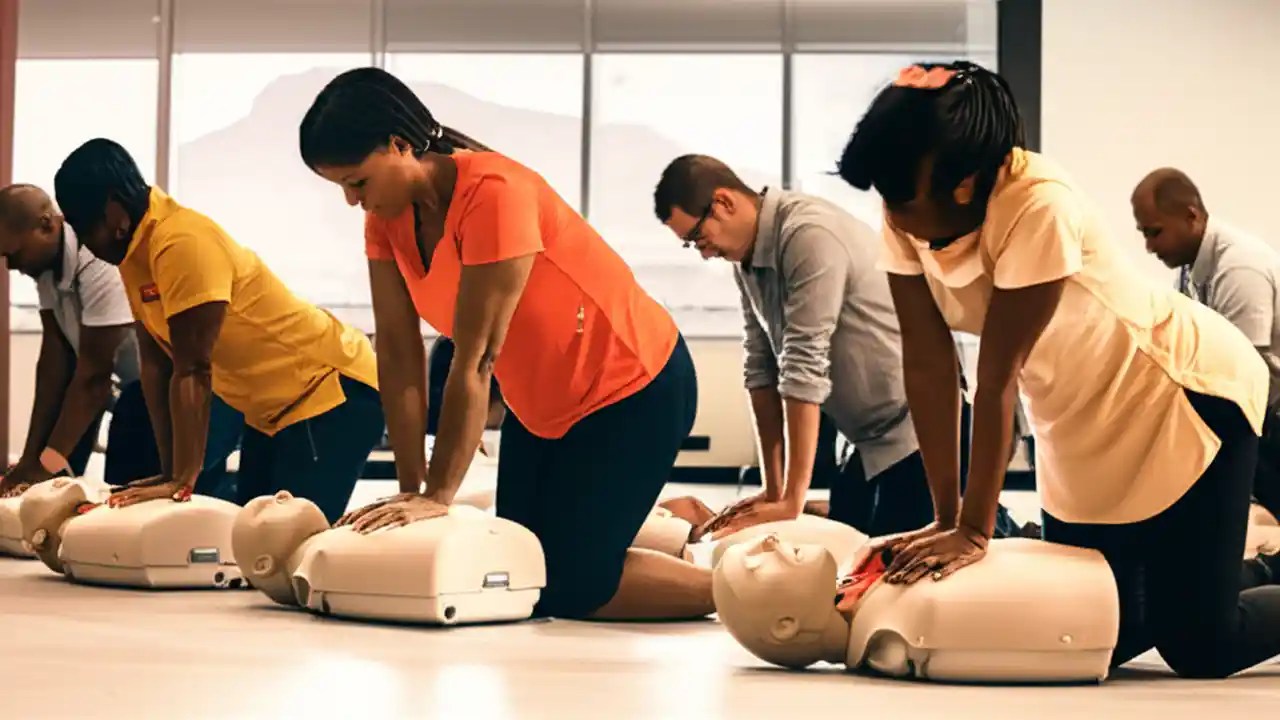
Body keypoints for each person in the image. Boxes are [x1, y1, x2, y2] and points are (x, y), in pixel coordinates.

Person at [837, 60, 1280, 678]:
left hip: (1178, 393)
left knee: (1202, 645)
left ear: (964, 184)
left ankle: (1223, 588)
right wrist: (943, 517)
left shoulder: (1037, 203)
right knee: (1089, 630)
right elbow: (931, 365)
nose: (890, 211)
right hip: (1078, 422)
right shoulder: (909, 211)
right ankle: (1233, 575)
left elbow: (996, 375)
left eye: (899, 194)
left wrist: (973, 527)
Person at [298, 67, 708, 621]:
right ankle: (674, 530)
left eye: (357, 182)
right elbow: (397, 355)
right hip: (541, 407)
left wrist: (438, 498)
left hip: (632, 385)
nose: (353, 201)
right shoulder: (386, 217)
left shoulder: (495, 193)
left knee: (570, 583)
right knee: (524, 563)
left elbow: (475, 360)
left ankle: (736, 586)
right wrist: (411, 489)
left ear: (398, 146)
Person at [652, 154, 1022, 539]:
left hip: (919, 431)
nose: (705, 253)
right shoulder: (744, 258)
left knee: (898, 561)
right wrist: (774, 490)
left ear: (724, 202)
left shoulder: (808, 234)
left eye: (697, 237)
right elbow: (761, 367)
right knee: (849, 543)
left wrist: (791, 502)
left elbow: (803, 364)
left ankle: (1009, 528)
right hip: (864, 440)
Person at [52, 139, 385, 523]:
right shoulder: (133, 253)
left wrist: (182, 479)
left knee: (283, 545)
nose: (86, 246)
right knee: (249, 543)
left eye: (83, 228)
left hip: (329, 389)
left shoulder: (181, 241)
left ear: (113, 211)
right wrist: (169, 470)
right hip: (268, 410)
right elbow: (157, 367)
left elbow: (193, 368)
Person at [0, 184, 242, 497]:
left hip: (198, 389)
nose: (10, 266)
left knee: (187, 502)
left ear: (47, 225)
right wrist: (30, 460)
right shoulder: (47, 269)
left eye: (14, 253)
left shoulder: (97, 257)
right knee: (124, 492)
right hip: (143, 392)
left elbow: (93, 380)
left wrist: (44, 465)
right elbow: (53, 368)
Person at [1131, 168, 1280, 519]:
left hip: (1271, 413)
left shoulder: (1239, 268)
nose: (1149, 247)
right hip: (1260, 413)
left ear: (1191, 216)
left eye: (1155, 233)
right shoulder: (1190, 268)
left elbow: (1243, 375)